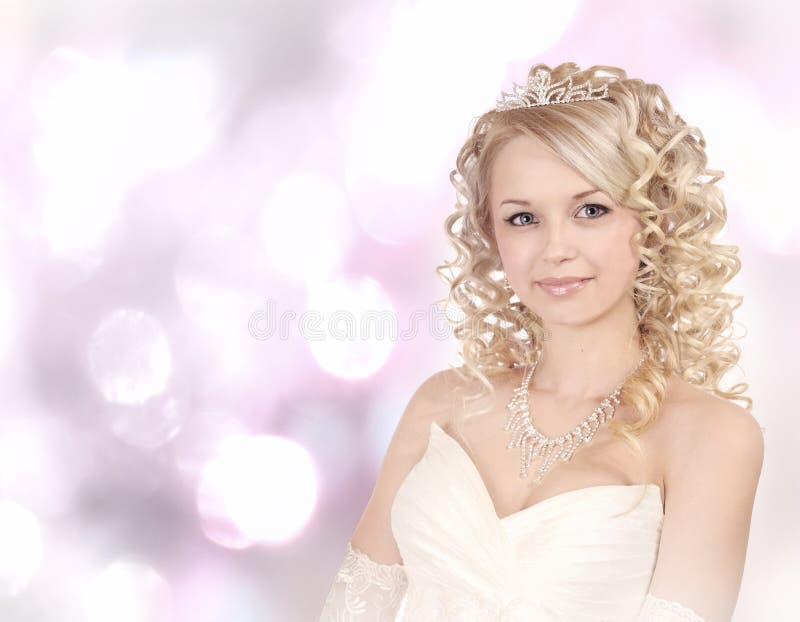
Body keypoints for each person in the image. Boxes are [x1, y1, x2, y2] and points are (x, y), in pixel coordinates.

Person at [318, 62, 764, 621]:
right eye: (524, 217)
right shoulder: (442, 404)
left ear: (652, 224)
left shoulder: (709, 435)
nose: (555, 247)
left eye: (591, 210)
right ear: (491, 233)